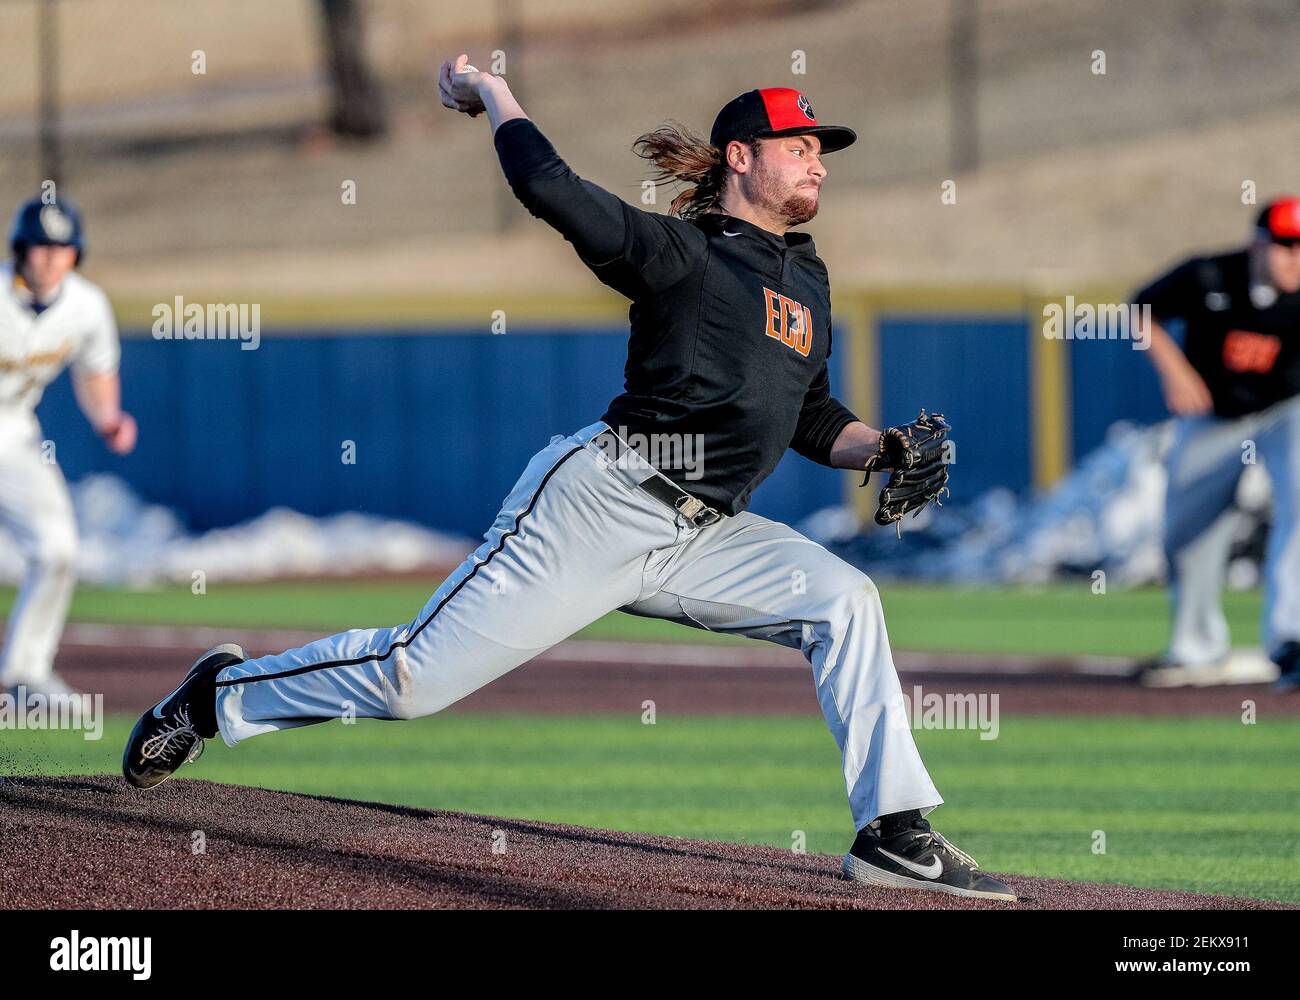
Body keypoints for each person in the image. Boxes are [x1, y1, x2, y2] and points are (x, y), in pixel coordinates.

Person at [121, 56, 1015, 902]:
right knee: (412, 682)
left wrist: (885, 448)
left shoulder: (807, 276)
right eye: (798, 146)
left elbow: (810, 415)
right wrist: (494, 93)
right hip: (604, 504)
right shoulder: (681, 253)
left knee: (847, 599)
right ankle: (216, 697)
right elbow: (551, 190)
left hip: (708, 534)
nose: (816, 161)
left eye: (821, 150)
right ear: (742, 158)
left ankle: (893, 832)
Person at [1136, 197, 1300, 691]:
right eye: (1288, 246)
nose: (1297, 258)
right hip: (1213, 415)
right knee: (1187, 527)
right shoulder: (1209, 276)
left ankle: (1291, 641)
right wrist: (1176, 372)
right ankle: (1195, 648)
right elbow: (1139, 311)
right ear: (1259, 245)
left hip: (1285, 411)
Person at [0, 195, 137, 698]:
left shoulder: (86, 305)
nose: (51, 258)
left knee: (57, 548)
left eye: (62, 247)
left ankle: (25, 675)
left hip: (12, 430)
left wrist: (107, 419)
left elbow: (96, 370)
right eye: (40, 246)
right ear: (21, 250)